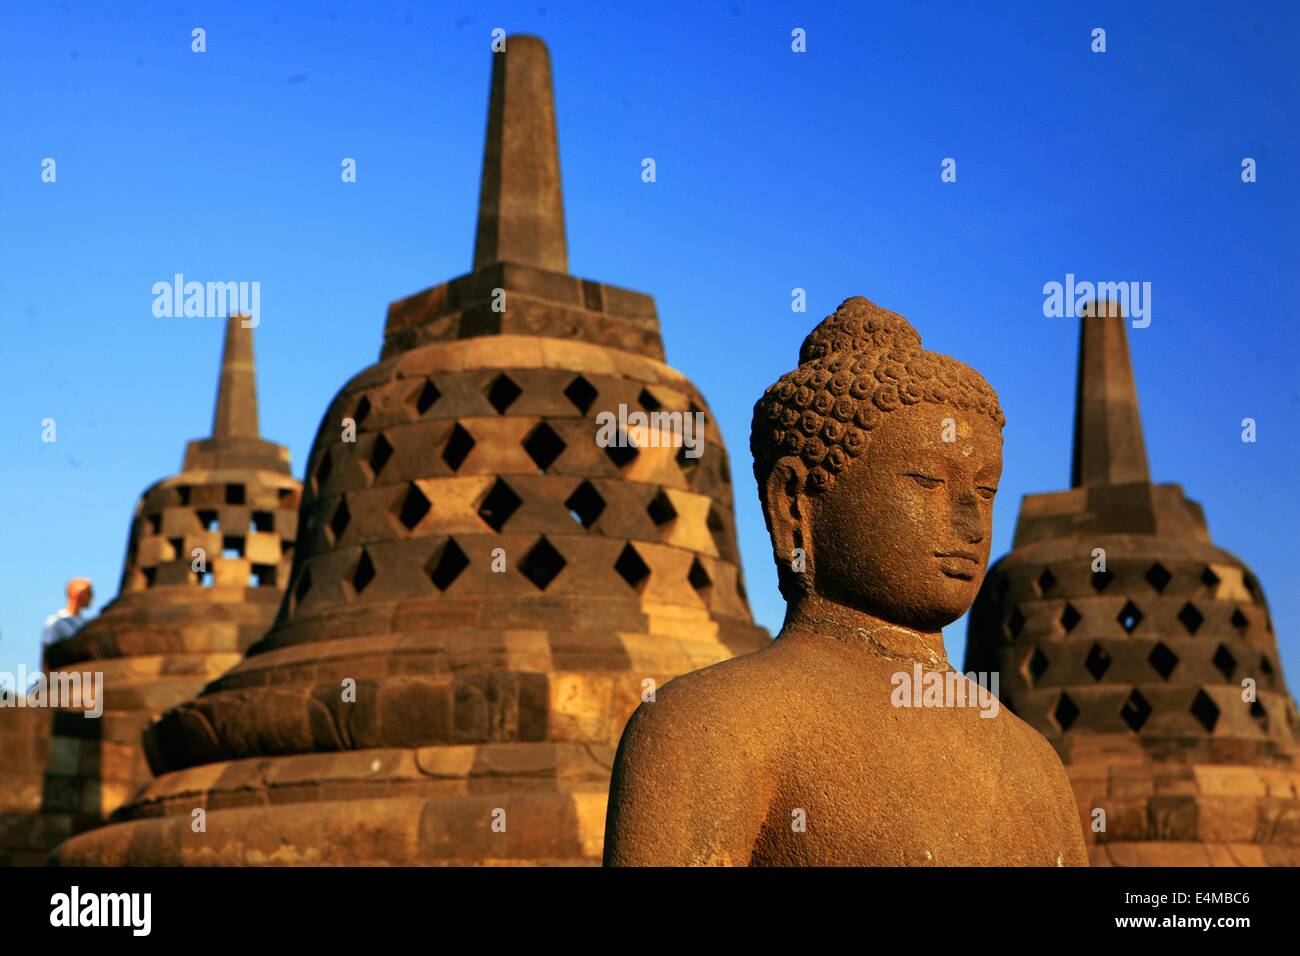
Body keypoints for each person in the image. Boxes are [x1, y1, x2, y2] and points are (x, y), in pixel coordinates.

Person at [42, 577, 94, 646]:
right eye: (88, 593)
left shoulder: (87, 624)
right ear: (77, 593)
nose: (91, 597)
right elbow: (47, 650)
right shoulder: (55, 621)